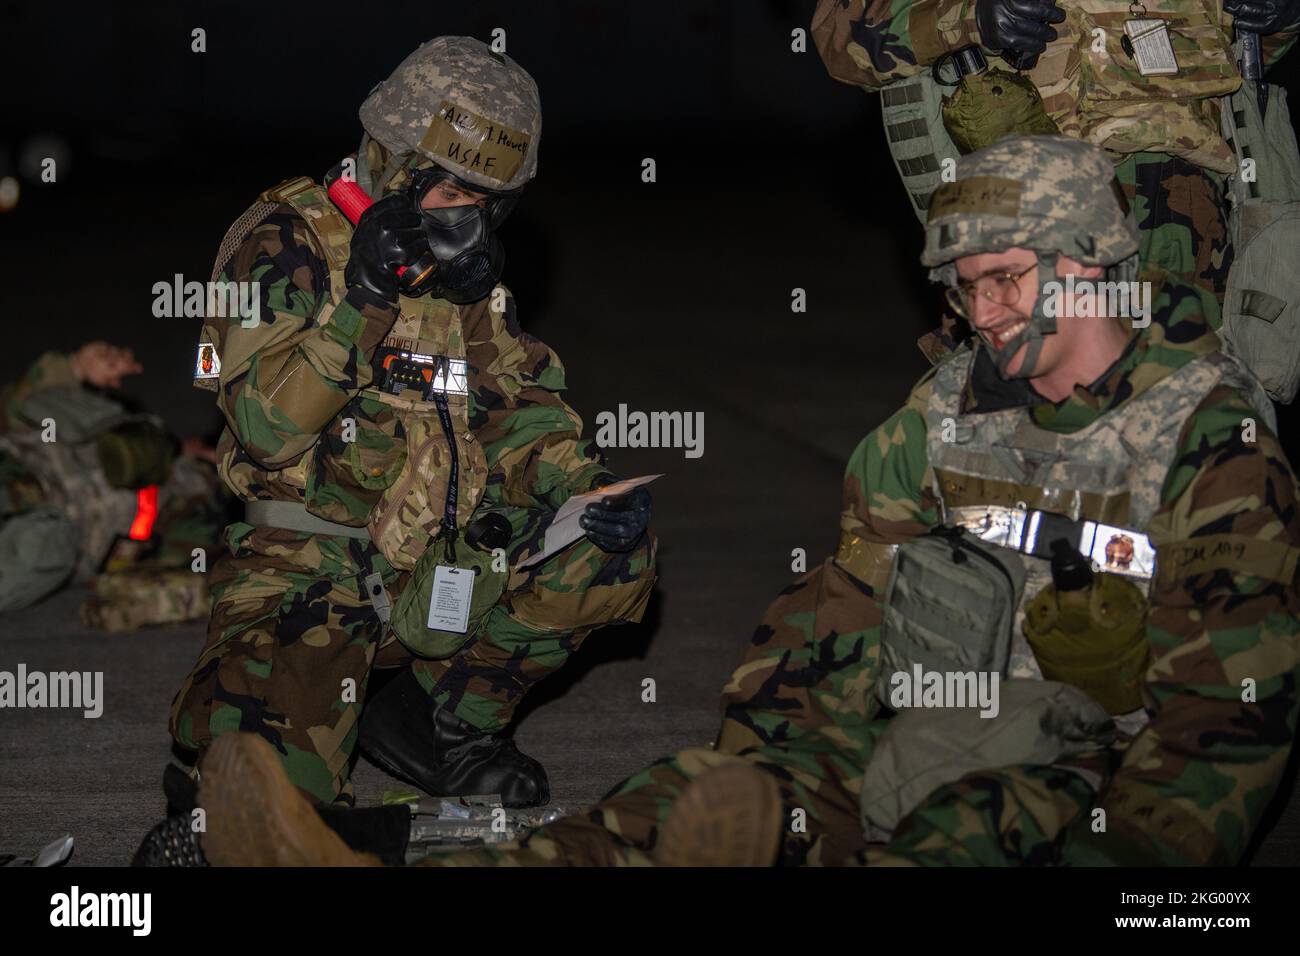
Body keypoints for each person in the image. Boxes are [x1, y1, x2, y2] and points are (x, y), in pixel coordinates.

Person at [192, 135, 1299, 868]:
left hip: (1084, 776)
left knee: (952, 835)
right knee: (664, 805)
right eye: (963, 289)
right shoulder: (943, 414)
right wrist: (775, 760)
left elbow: (1226, 725)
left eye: (1006, 280)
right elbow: (839, 613)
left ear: (1087, 267)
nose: (983, 312)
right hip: (916, 730)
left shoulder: (1209, 442)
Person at [162, 35, 656, 827]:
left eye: (488, 203)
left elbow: (520, 409)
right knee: (271, 811)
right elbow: (266, 431)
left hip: (437, 561)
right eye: (453, 192)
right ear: (393, 161)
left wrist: (585, 488)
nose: (470, 219)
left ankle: (442, 725)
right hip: (311, 564)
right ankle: (238, 729)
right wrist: (363, 297)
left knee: (605, 550)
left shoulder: (464, 270)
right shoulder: (283, 243)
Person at [810, 0, 1300, 312]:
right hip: (1039, 211)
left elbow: (1233, 52)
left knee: (1196, 419)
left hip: (1206, 212)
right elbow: (839, 36)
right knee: (1052, 420)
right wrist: (971, 19)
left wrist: (1281, 18)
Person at [0, 342, 223, 628]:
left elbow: (15, 406)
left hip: (78, 485)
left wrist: (73, 368)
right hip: (76, 528)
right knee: (45, 546)